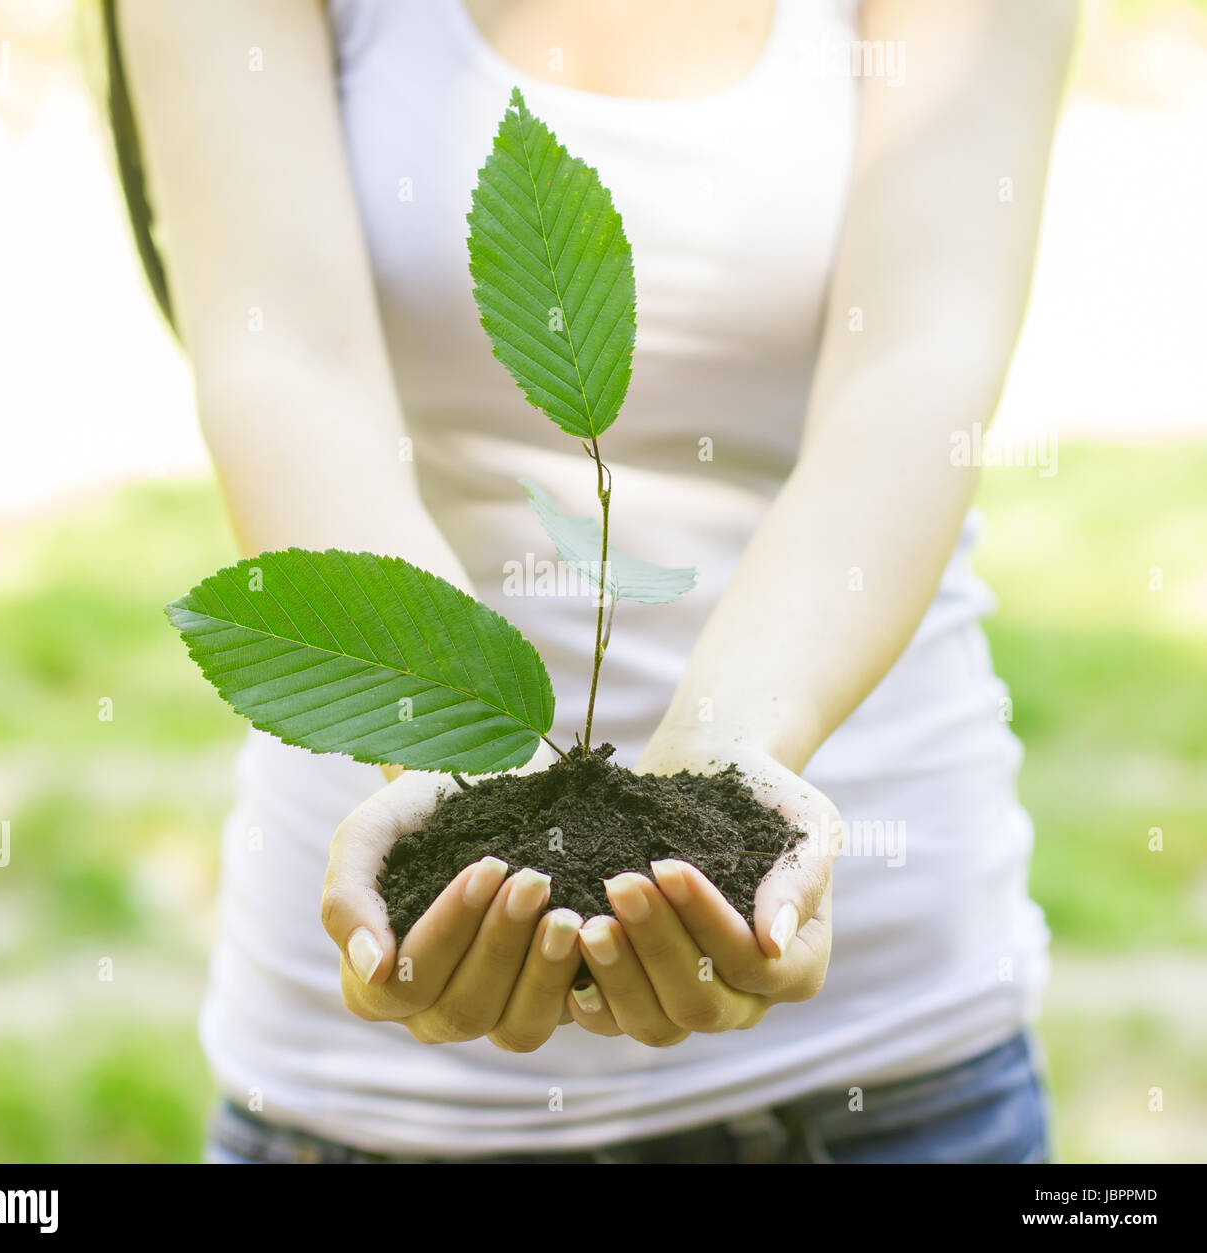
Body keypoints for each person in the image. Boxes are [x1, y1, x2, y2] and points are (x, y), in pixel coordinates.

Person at [108, 0, 1076, 1163]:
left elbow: (922, 355)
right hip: (369, 1098)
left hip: (892, 1067)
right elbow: (282, 358)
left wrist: (733, 766)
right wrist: (460, 782)